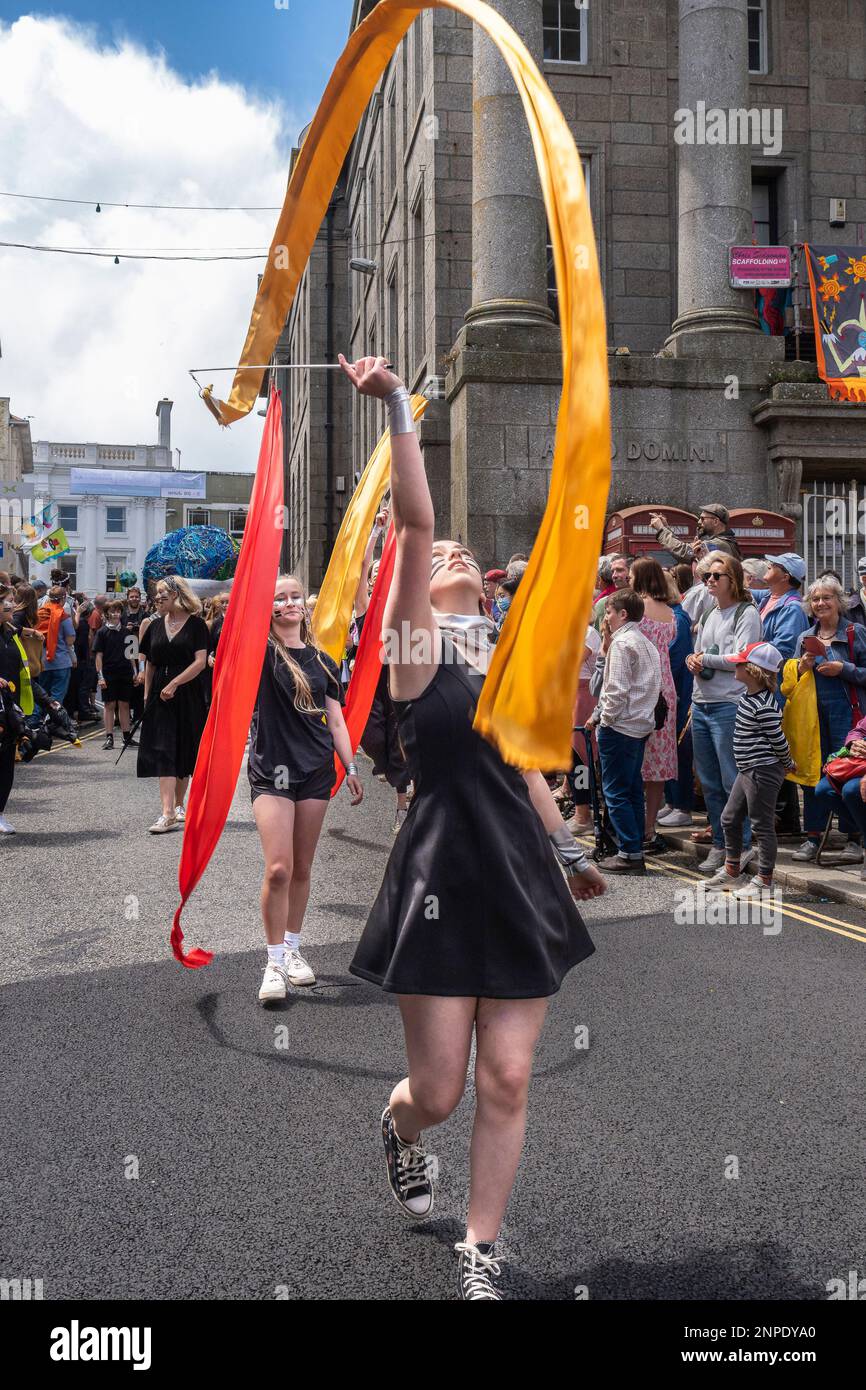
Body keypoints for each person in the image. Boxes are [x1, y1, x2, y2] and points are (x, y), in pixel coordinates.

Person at [338, 351, 600, 1301]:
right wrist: (402, 408)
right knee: (441, 1090)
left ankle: (480, 1251)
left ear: (486, 591)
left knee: (508, 1080)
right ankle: (399, 1128)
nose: (448, 558)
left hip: (522, 873)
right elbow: (416, 521)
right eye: (435, 561)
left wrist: (569, 848)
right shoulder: (413, 652)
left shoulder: (512, 668)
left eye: (461, 561)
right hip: (440, 875)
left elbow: (525, 768)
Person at [252, 574, 363, 1002]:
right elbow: (231, 640)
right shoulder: (261, 654)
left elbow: (335, 719)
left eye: (295, 595)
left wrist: (349, 764)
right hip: (271, 769)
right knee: (277, 868)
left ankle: (294, 950)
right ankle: (273, 960)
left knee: (300, 866)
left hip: (316, 769)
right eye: (279, 597)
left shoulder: (321, 660)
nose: (290, 602)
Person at [685, 553, 762, 875]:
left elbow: (745, 656)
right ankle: (720, 844)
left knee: (732, 781)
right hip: (702, 703)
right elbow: (700, 652)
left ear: (733, 578)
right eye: (706, 577)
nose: (710, 581)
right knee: (710, 783)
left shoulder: (747, 613)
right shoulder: (707, 612)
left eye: (717, 575)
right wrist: (692, 658)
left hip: (729, 704)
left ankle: (740, 846)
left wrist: (705, 659)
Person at [787, 576, 866, 863]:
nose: (821, 603)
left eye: (827, 598)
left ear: (838, 602)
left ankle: (854, 838)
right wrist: (800, 666)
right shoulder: (805, 638)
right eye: (816, 599)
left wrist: (843, 668)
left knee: (846, 774)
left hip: (849, 715)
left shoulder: (855, 632)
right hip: (812, 716)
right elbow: (792, 681)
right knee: (813, 776)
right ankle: (813, 836)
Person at [706, 642, 794, 897]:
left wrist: (787, 763)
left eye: (741, 663)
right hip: (748, 769)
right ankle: (733, 870)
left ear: (754, 671)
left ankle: (765, 880)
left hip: (762, 770)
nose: (736, 665)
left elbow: (778, 739)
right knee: (729, 818)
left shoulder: (765, 705)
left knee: (762, 826)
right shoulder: (747, 696)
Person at [588, 588, 661, 874]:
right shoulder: (645, 641)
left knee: (616, 792)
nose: (605, 617)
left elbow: (615, 691)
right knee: (631, 789)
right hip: (640, 726)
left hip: (620, 727)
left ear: (623, 614)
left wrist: (603, 719)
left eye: (608, 612)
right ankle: (634, 849)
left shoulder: (621, 644)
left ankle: (629, 853)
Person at [136, 576, 209, 834]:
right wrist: (147, 697)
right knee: (163, 750)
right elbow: (151, 663)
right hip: (160, 695)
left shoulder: (197, 625)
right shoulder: (154, 626)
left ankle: (180, 805)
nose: (158, 599)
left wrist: (176, 683)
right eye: (156, 595)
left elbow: (200, 662)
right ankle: (167, 813)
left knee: (183, 749)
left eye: (162, 594)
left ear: (177, 594)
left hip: (188, 693)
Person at [630, 556, 678, 851]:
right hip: (666, 686)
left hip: (640, 683)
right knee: (659, 760)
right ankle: (649, 827)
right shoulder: (670, 612)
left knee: (634, 757)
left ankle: (633, 826)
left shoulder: (637, 610)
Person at [658, 572, 695, 829]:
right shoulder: (666, 616)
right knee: (668, 749)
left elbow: (674, 659)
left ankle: (683, 805)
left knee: (679, 749)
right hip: (668, 694)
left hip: (679, 694)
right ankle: (672, 801)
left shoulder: (678, 618)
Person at [0, 587, 33, 834]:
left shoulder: (10, 634)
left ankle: (0, 813)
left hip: (9, 708)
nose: (13, 605)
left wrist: (48, 701)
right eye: (8, 602)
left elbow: (24, 672)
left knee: (5, 765)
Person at [93, 599, 138, 751]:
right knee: (109, 704)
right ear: (106, 614)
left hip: (125, 673)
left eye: (118, 611)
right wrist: (100, 677)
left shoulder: (127, 632)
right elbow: (98, 656)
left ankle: (127, 737)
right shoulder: (101, 633)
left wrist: (135, 673)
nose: (115, 614)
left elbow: (132, 654)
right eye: (112, 611)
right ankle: (109, 737)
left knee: (125, 704)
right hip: (109, 673)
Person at [649, 503, 742, 562]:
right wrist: (666, 528)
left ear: (716, 521)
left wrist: (661, 529)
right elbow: (685, 550)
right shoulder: (726, 542)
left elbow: (684, 552)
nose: (699, 522)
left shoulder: (719, 544)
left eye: (703, 519)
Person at [36, 586, 76, 702]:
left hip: (43, 662)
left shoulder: (40, 613)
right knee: (57, 696)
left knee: (42, 695)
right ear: (63, 598)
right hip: (61, 661)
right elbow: (70, 641)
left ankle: (37, 718)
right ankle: (53, 719)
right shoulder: (63, 616)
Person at [591, 553, 630, 630]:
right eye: (612, 571)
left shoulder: (645, 600)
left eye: (619, 570)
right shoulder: (604, 602)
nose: (614, 576)